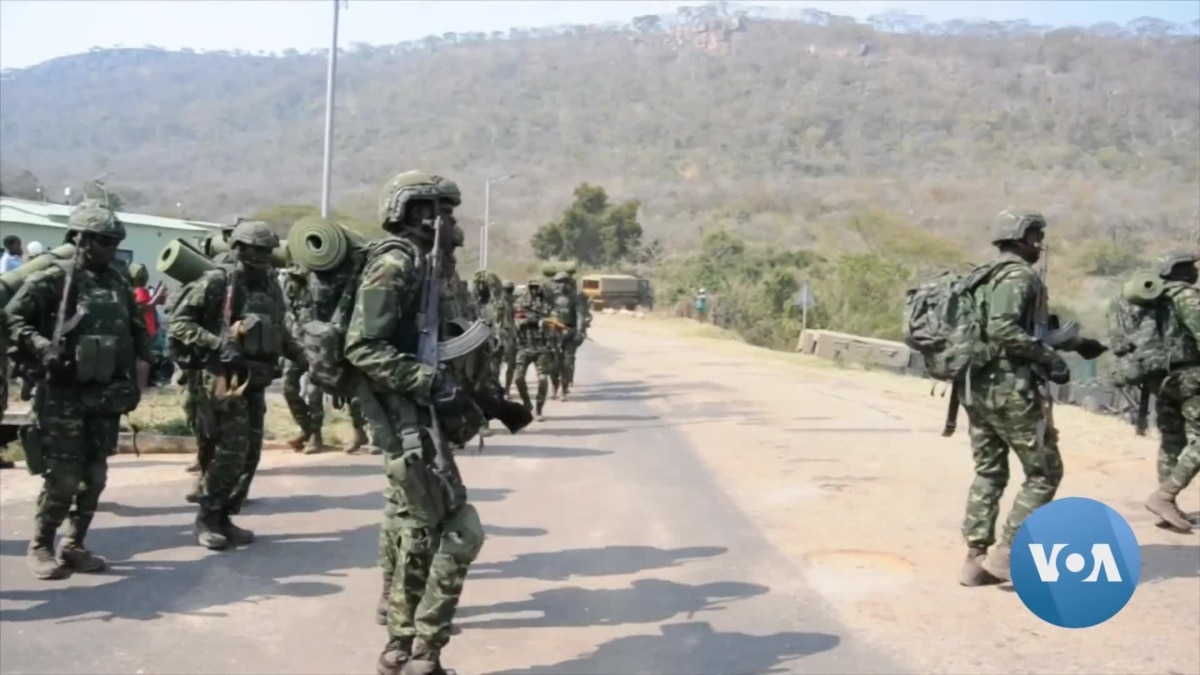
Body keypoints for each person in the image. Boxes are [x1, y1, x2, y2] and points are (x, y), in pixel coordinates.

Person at [344, 170, 485, 675]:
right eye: (439, 209)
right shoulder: (396, 263)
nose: (448, 219)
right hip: (408, 420)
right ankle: (422, 648)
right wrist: (429, 383)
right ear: (410, 211)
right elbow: (362, 346)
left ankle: (403, 650)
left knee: (419, 533)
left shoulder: (425, 266)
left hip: (423, 419)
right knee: (461, 531)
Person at [958, 209, 1107, 586]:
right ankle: (1006, 553)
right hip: (1011, 390)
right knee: (1044, 472)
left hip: (977, 387)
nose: (1040, 244)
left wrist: (1077, 343)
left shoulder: (984, 278)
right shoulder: (1019, 277)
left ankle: (975, 558)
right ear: (1021, 238)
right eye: (1036, 236)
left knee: (989, 472)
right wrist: (1051, 360)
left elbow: (1024, 328)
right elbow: (1004, 328)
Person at [6, 200, 153, 579]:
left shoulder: (118, 280)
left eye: (115, 242)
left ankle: (75, 543)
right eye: (104, 241)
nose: (110, 249)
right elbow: (12, 317)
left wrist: (142, 371)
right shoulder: (53, 278)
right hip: (63, 395)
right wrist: (42, 347)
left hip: (106, 394)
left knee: (96, 477)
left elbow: (136, 328)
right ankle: (42, 544)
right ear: (81, 240)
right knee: (63, 477)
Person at [168, 220, 305, 550]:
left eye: (265, 251)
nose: (259, 257)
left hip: (255, 380)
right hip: (222, 378)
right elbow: (179, 323)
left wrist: (302, 356)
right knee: (230, 452)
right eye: (253, 250)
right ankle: (207, 518)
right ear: (239, 249)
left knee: (249, 455)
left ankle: (225, 517)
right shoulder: (217, 281)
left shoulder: (271, 286)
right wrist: (217, 343)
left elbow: (279, 330)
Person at [1141, 250, 1200, 531]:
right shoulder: (1187, 296)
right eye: (1191, 267)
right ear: (1182, 270)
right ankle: (1165, 496)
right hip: (1189, 376)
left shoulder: (1153, 299)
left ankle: (1167, 507)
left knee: (1171, 440)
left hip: (1159, 378)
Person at [281, 265, 327, 454]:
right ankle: (306, 428)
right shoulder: (292, 281)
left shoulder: (325, 278)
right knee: (288, 385)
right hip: (298, 343)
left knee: (314, 389)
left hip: (320, 342)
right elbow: (287, 310)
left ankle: (316, 435)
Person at [513, 279, 556, 420]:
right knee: (518, 378)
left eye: (537, 287)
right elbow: (518, 321)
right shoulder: (520, 302)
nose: (534, 290)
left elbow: (554, 322)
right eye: (532, 287)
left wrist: (548, 326)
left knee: (543, 380)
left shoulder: (548, 304)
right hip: (524, 346)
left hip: (542, 347)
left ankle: (539, 409)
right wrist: (536, 321)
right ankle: (527, 402)